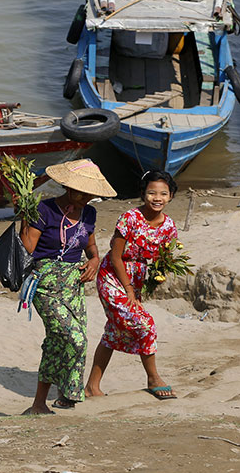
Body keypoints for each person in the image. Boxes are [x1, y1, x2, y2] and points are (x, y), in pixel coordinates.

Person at [19, 159, 116, 414]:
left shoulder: (90, 214)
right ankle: (70, 390)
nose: (85, 197)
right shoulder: (44, 210)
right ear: (67, 186)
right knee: (75, 338)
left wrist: (94, 260)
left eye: (90, 192)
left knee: (55, 342)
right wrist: (24, 217)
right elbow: (27, 250)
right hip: (44, 284)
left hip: (73, 285)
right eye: (80, 190)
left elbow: (91, 247)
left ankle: (41, 404)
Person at [84, 170, 179, 401]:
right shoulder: (129, 218)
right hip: (112, 277)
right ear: (143, 194)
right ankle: (153, 378)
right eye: (152, 193)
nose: (157, 198)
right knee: (145, 324)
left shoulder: (169, 227)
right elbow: (116, 257)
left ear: (171, 196)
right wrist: (128, 289)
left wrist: (151, 281)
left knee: (113, 333)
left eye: (163, 194)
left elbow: (161, 261)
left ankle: (91, 387)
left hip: (136, 280)